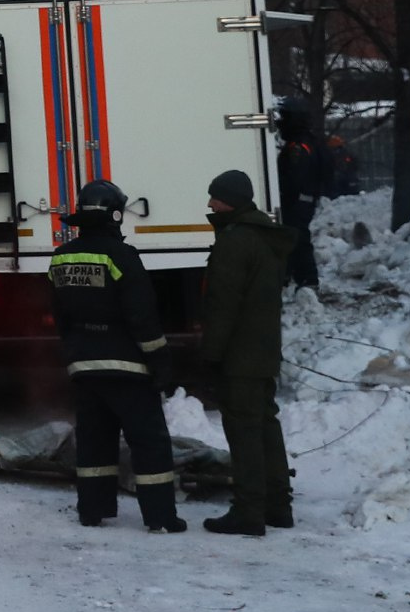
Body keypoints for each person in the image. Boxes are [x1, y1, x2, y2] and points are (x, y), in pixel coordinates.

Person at [47, 180, 185, 532]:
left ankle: (92, 510)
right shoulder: (122, 257)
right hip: (128, 369)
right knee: (149, 443)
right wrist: (160, 362)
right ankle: (161, 518)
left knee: (93, 442)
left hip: (85, 369)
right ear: (115, 216)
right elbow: (142, 315)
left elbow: (60, 316)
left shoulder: (61, 258)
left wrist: (76, 351)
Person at [198, 168, 293, 535]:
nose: (209, 203)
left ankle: (249, 511)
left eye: (215, 197)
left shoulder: (235, 241)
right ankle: (278, 505)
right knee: (266, 425)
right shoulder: (263, 237)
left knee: (243, 431)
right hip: (263, 350)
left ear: (231, 201)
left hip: (239, 354)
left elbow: (223, 304)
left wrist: (211, 355)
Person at [273, 98, 326, 291]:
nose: (280, 123)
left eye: (285, 117)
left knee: (298, 239)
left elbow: (294, 177)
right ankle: (293, 276)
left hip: (297, 201)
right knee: (292, 238)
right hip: (299, 200)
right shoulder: (306, 142)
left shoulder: (299, 146)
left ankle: (308, 280)